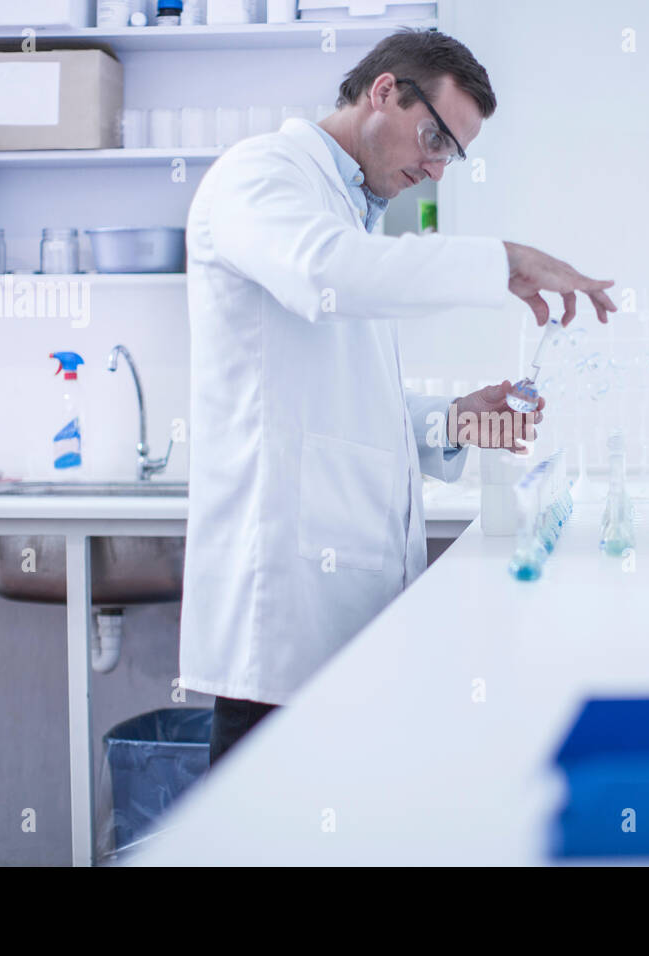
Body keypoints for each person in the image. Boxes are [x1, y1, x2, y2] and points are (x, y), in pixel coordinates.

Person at [179, 28, 615, 765]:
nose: (437, 168)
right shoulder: (259, 175)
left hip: (347, 603)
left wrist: (451, 420)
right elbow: (331, 274)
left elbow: (344, 399)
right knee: (260, 829)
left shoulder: (351, 216)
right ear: (384, 91)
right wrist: (501, 262)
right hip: (282, 609)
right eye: (435, 137)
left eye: (453, 153)